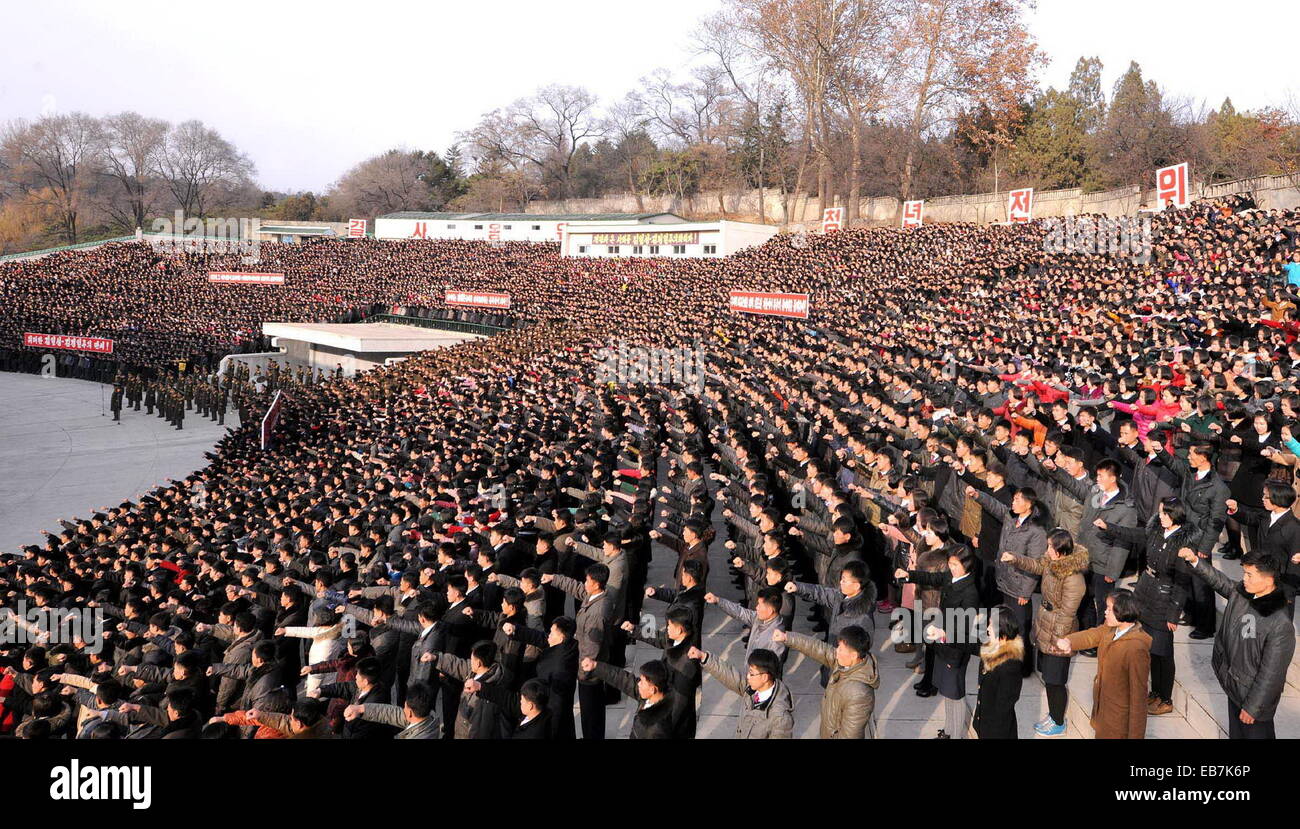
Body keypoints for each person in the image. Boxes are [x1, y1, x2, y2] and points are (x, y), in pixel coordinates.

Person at [1178, 549, 1296, 738]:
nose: (1244, 579)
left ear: (1268, 580)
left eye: (1249, 575)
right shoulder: (1243, 594)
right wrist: (1195, 561)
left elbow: (1271, 675)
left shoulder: (1280, 624)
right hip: (1234, 686)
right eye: (1244, 574)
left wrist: (1253, 707)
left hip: (1254, 700)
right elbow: (1220, 581)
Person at [1097, 498, 1195, 716]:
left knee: (1162, 652)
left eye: (1164, 514)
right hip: (1145, 593)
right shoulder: (1156, 531)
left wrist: (1173, 613)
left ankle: (1165, 697)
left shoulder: (1183, 543)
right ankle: (1155, 692)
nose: (1160, 517)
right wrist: (1109, 527)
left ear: (1175, 515)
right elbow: (1134, 535)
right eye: (1160, 513)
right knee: (1148, 648)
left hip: (1164, 600)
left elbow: (1182, 583)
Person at [1000, 528, 1088, 737]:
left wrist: (1055, 641)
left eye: (1050, 546)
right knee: (1049, 677)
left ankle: (1058, 721)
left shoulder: (1074, 579)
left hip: (1059, 634)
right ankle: (1054, 714)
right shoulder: (1052, 562)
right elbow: (1036, 565)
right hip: (1046, 625)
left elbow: (1067, 614)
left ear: (1061, 551)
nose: (1047, 549)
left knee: (1056, 680)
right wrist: (1015, 559)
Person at [896, 545, 982, 738]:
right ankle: (949, 730)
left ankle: (955, 733)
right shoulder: (951, 578)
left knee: (955, 694)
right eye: (950, 563)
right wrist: (909, 575)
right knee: (947, 692)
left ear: (967, 565)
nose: (951, 568)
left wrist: (944, 632)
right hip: (943, 643)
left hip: (955, 649)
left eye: (955, 564)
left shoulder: (970, 593)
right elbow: (931, 578)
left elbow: (965, 628)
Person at [1056, 590, 1152, 739]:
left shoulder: (1136, 649)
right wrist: (1070, 641)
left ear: (1123, 611)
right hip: (1104, 712)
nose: (1105, 612)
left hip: (1118, 723)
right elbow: (1093, 635)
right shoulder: (1112, 629)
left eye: (1109, 608)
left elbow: (1138, 698)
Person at [775, 625, 877, 738]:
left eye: (840, 649)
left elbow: (850, 735)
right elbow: (817, 648)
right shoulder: (846, 662)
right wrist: (787, 637)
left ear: (854, 655)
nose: (836, 651)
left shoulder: (859, 694)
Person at [688, 646, 794, 739]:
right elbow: (731, 676)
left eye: (752, 674)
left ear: (765, 677)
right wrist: (704, 657)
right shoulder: (753, 691)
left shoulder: (780, 718)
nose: (748, 677)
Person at [972, 606, 1024, 739]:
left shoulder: (1009, 666)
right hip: (985, 724)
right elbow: (969, 645)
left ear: (1003, 632)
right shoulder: (993, 648)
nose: (988, 628)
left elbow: (1003, 707)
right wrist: (945, 635)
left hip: (996, 731)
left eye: (991, 625)